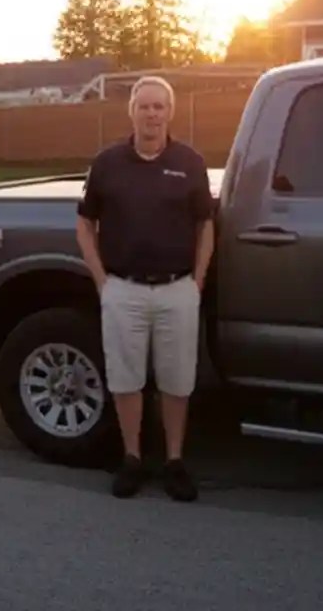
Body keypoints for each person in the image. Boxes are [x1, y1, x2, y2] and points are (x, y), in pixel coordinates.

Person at [75, 75, 214, 502]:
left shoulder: (190, 162)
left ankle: (174, 461)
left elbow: (206, 224)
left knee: (176, 380)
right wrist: (101, 280)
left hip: (177, 291)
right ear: (131, 111)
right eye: (145, 106)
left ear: (170, 113)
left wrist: (197, 282)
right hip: (123, 290)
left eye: (159, 107)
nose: (152, 114)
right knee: (125, 379)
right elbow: (85, 223)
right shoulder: (107, 163)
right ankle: (132, 458)